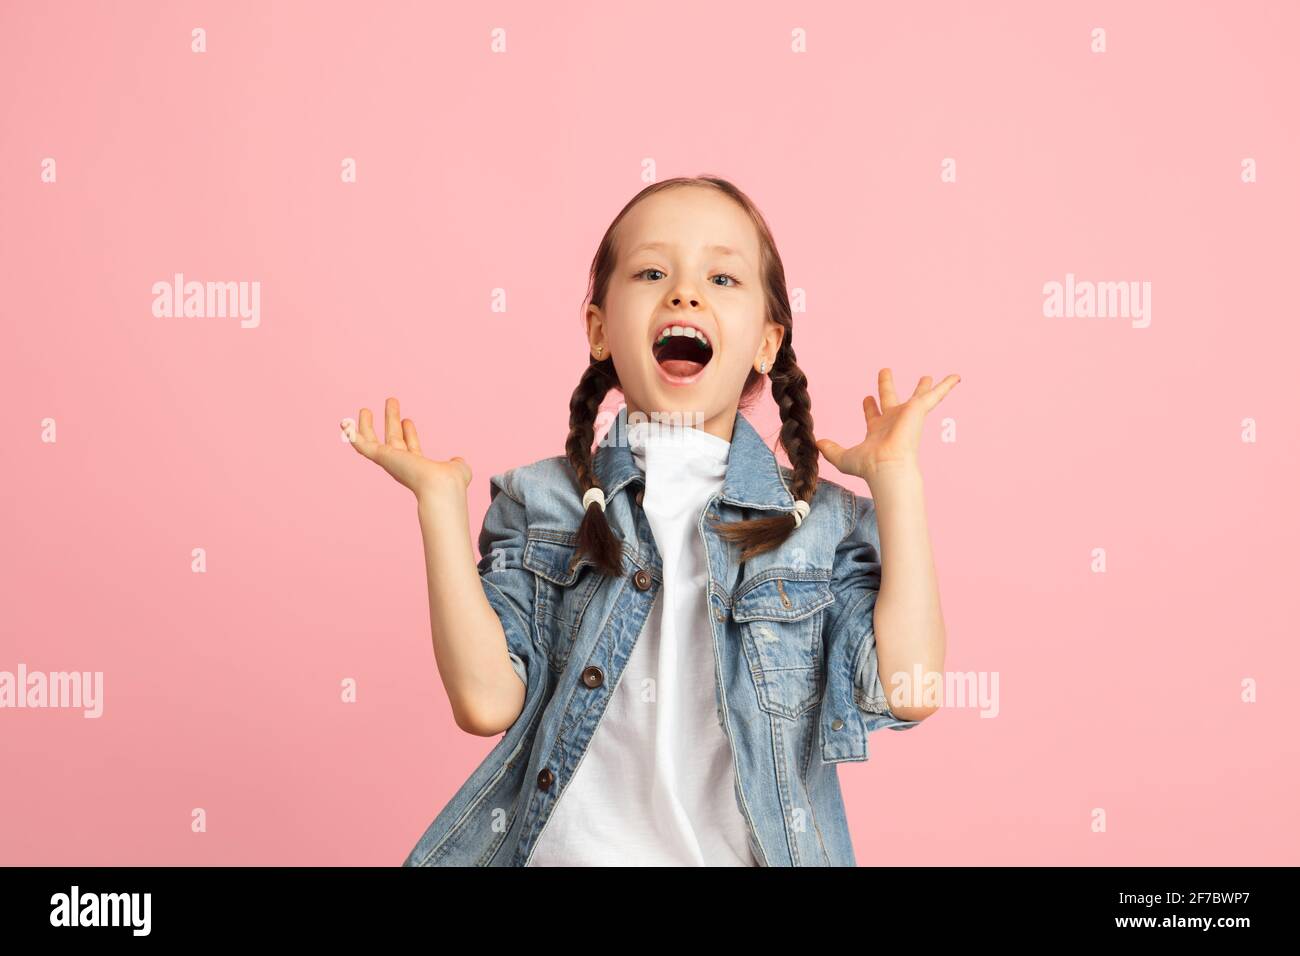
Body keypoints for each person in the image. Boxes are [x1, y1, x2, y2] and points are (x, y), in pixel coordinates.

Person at [343, 176, 957, 866]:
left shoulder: (820, 526)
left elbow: (908, 688)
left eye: (722, 277)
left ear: (765, 342)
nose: (685, 293)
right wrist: (438, 505)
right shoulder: (542, 501)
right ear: (600, 329)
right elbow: (485, 704)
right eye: (652, 271)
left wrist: (898, 482)